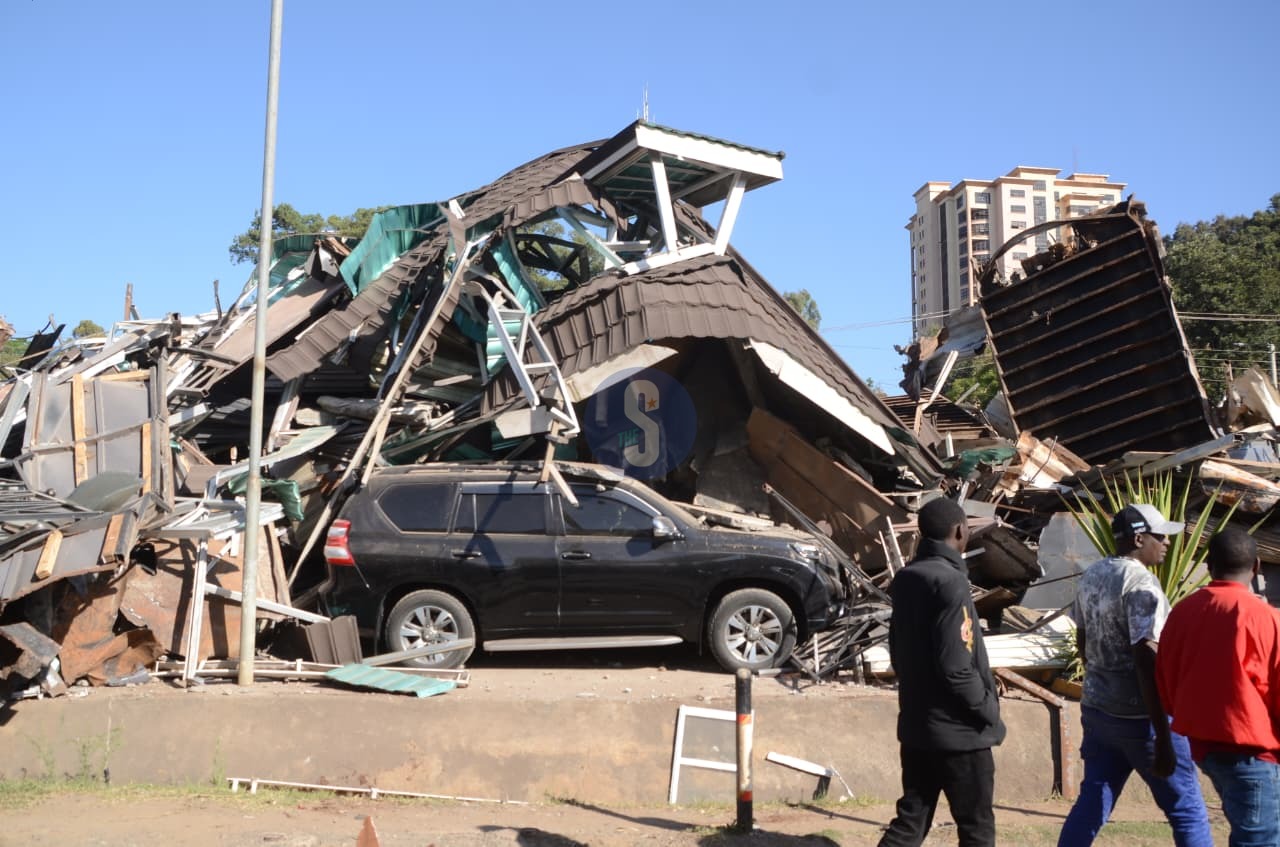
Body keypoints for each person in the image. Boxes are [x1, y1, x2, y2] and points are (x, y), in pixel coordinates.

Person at [1057, 503, 1212, 847]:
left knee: (1093, 799)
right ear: (1140, 538)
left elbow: (1082, 641)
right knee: (1187, 809)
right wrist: (1163, 733)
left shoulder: (1092, 574)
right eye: (1161, 537)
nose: (1167, 544)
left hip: (1098, 711)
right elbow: (1146, 656)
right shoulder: (1143, 584)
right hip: (1142, 719)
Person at [878, 497, 1005, 847]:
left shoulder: (906, 578)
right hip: (960, 735)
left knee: (910, 822)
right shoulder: (951, 583)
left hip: (918, 727)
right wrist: (988, 709)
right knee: (977, 829)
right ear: (960, 531)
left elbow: (898, 652)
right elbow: (956, 667)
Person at [1157, 527, 1280, 846]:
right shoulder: (1266, 618)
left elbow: (1166, 678)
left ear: (1208, 564)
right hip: (1252, 751)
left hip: (1205, 747)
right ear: (1256, 568)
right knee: (1259, 838)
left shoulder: (1182, 612)